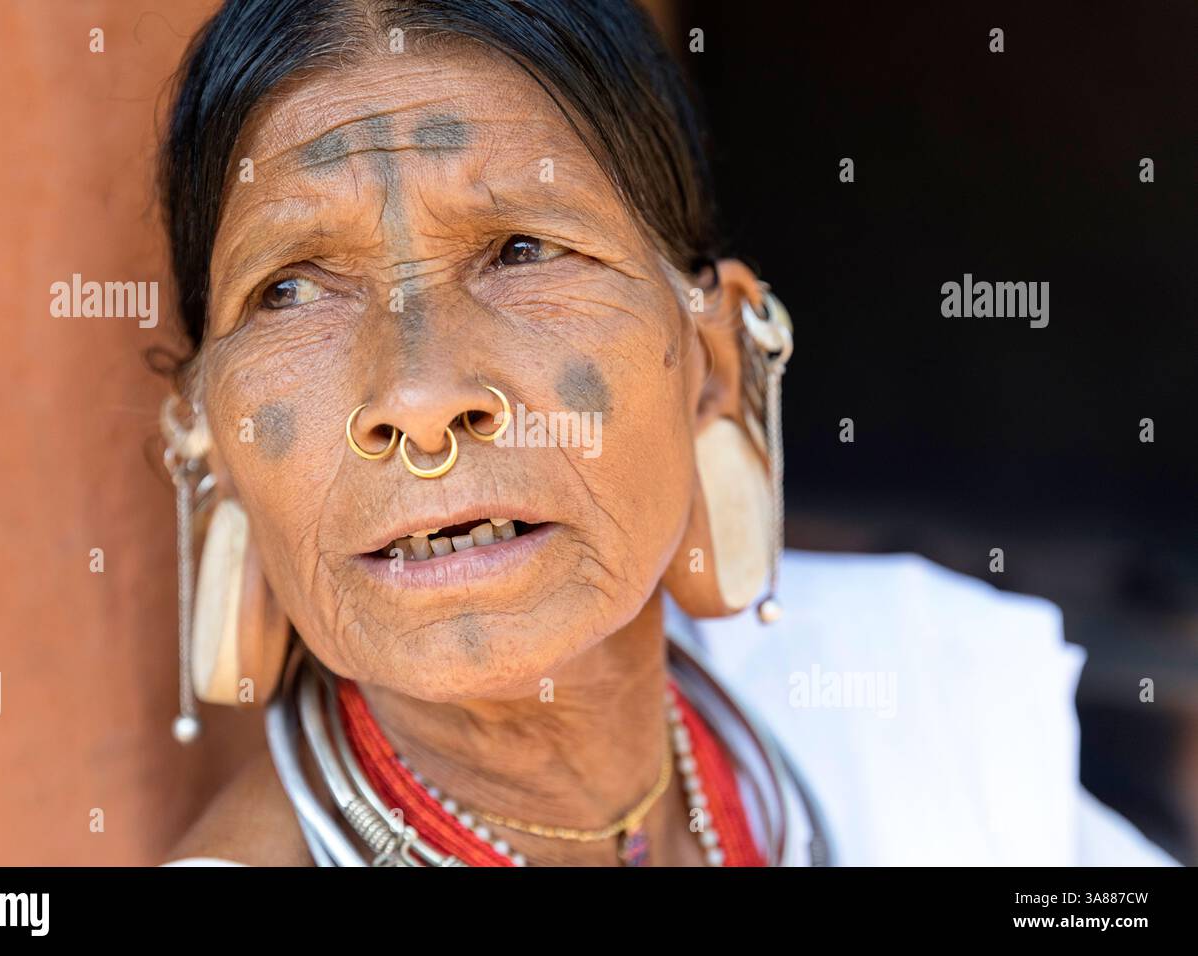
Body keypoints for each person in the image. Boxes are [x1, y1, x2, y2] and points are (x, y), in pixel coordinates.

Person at [156, 0, 1173, 866]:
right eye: (288, 289)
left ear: (716, 359)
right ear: (211, 437)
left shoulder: (915, 704)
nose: (418, 394)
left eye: (521, 249)